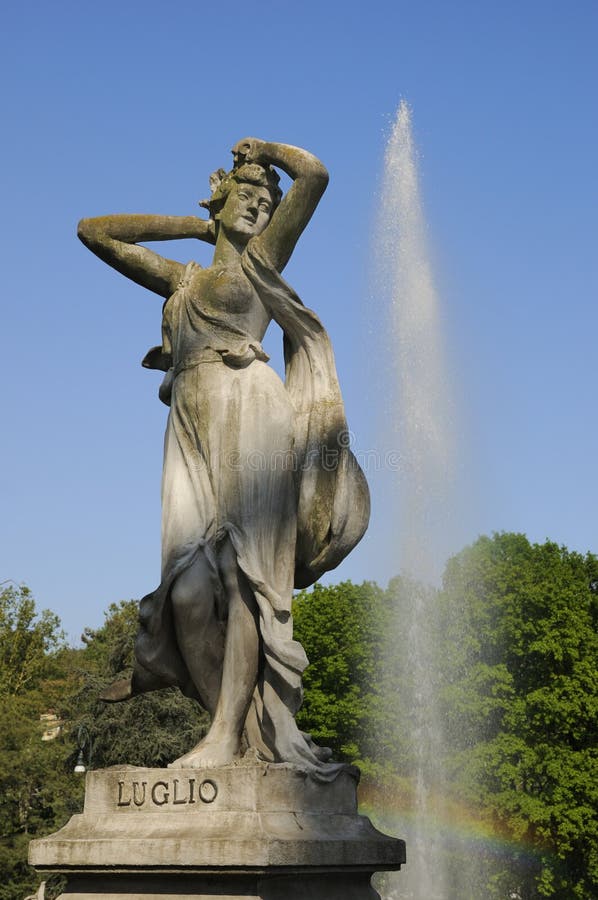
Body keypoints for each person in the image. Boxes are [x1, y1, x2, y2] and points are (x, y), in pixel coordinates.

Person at [78, 138, 369, 777]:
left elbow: (314, 176)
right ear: (222, 198)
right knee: (186, 592)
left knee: (245, 577)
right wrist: (196, 224)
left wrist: (266, 151)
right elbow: (95, 233)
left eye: (267, 201)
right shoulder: (184, 278)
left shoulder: (263, 259)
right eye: (248, 195)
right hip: (189, 423)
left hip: (250, 409)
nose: (260, 207)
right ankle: (241, 734)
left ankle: (222, 736)